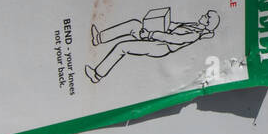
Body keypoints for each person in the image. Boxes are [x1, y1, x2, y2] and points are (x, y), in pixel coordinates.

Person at [85, 10, 219, 84]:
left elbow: (174, 39)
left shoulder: (195, 34)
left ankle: (97, 74)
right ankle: (99, 38)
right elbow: (174, 26)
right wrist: (158, 22)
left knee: (123, 47)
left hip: (159, 46)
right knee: (134, 24)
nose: (203, 15)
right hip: (158, 36)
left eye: (206, 16)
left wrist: (150, 34)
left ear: (207, 23)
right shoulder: (194, 26)